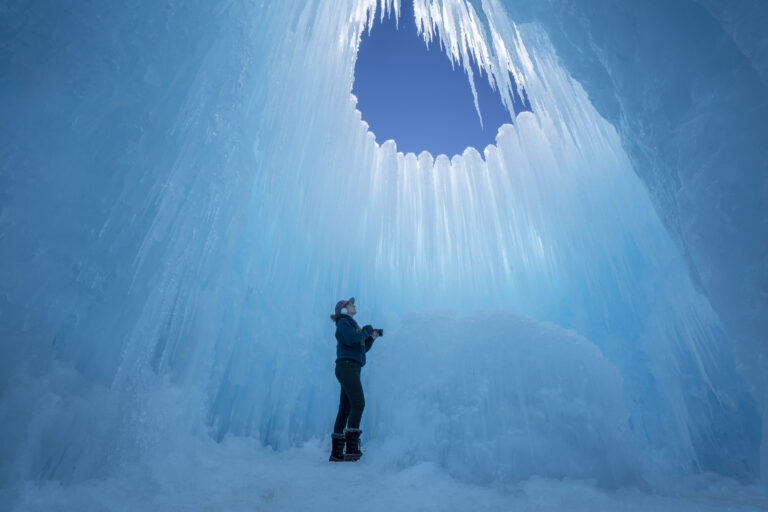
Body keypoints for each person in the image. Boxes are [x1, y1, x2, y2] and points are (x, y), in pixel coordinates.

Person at [329, 297, 381, 462]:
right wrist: (366, 329)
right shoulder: (343, 322)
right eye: (350, 304)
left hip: (351, 367)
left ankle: (336, 453)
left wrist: (371, 337)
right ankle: (351, 448)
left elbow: (360, 348)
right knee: (358, 404)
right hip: (347, 367)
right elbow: (352, 337)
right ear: (343, 310)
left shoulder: (352, 325)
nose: (354, 305)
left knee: (345, 409)